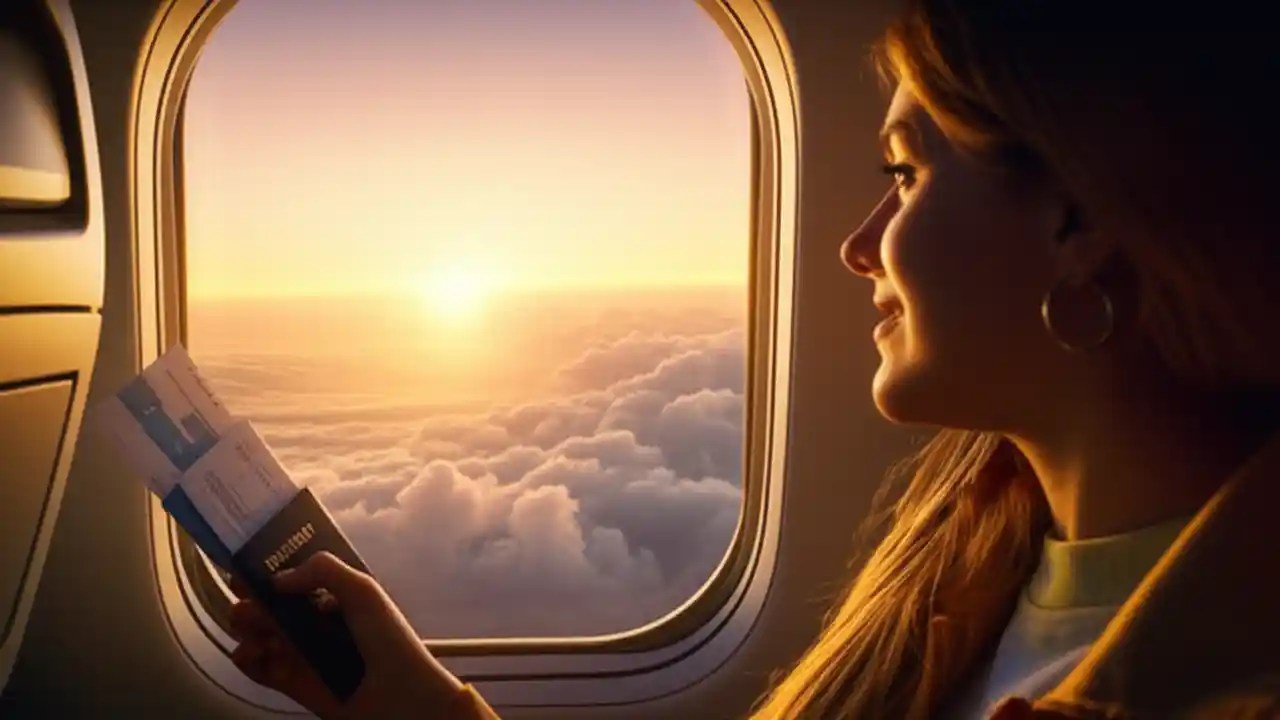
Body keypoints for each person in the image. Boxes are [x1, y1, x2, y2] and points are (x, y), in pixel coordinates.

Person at [227, 2, 1280, 718]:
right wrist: (422, 707)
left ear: (1076, 217)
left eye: (904, 175)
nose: (855, 244)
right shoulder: (979, 548)